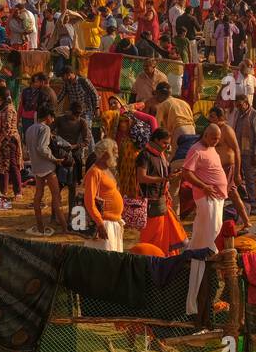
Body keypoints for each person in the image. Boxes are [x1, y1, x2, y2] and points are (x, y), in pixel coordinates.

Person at [182, 124, 228, 317]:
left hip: (217, 197)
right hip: (206, 197)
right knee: (211, 233)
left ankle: (202, 258)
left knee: (208, 232)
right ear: (206, 134)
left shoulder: (211, 148)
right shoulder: (196, 150)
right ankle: (208, 260)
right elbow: (187, 173)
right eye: (213, 137)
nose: (216, 141)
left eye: (218, 138)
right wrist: (205, 186)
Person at [137, 127, 186, 255]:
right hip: (150, 203)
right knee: (151, 239)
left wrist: (171, 178)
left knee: (163, 237)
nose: (166, 146)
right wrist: (163, 179)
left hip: (162, 200)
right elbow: (141, 178)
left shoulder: (162, 155)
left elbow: (165, 177)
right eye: (164, 143)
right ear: (156, 140)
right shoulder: (145, 155)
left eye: (168, 143)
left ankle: (161, 259)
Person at [25, 103, 65, 235]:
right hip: (47, 167)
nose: (53, 121)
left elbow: (30, 148)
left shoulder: (30, 129)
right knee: (56, 196)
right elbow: (42, 148)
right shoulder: (45, 128)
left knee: (38, 196)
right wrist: (54, 159)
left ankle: (40, 226)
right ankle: (65, 228)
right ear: (48, 116)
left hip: (36, 167)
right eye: (52, 118)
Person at [83, 139, 126, 252]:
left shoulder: (106, 170)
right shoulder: (94, 172)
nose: (117, 155)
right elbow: (89, 201)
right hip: (103, 224)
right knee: (103, 263)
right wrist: (100, 224)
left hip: (112, 222)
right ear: (105, 153)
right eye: (114, 151)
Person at [0, 81, 23, 199]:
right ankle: (4, 191)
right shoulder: (0, 108)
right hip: (2, 142)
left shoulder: (9, 109)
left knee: (12, 165)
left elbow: (7, 128)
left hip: (9, 141)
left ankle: (18, 192)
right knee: (3, 167)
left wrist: (0, 142)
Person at [229, 93, 256, 209]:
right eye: (237, 105)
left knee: (250, 178)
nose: (238, 107)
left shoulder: (255, 115)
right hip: (237, 151)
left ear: (246, 103)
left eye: (240, 105)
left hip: (249, 152)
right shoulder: (236, 114)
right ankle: (243, 202)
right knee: (237, 177)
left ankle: (253, 203)